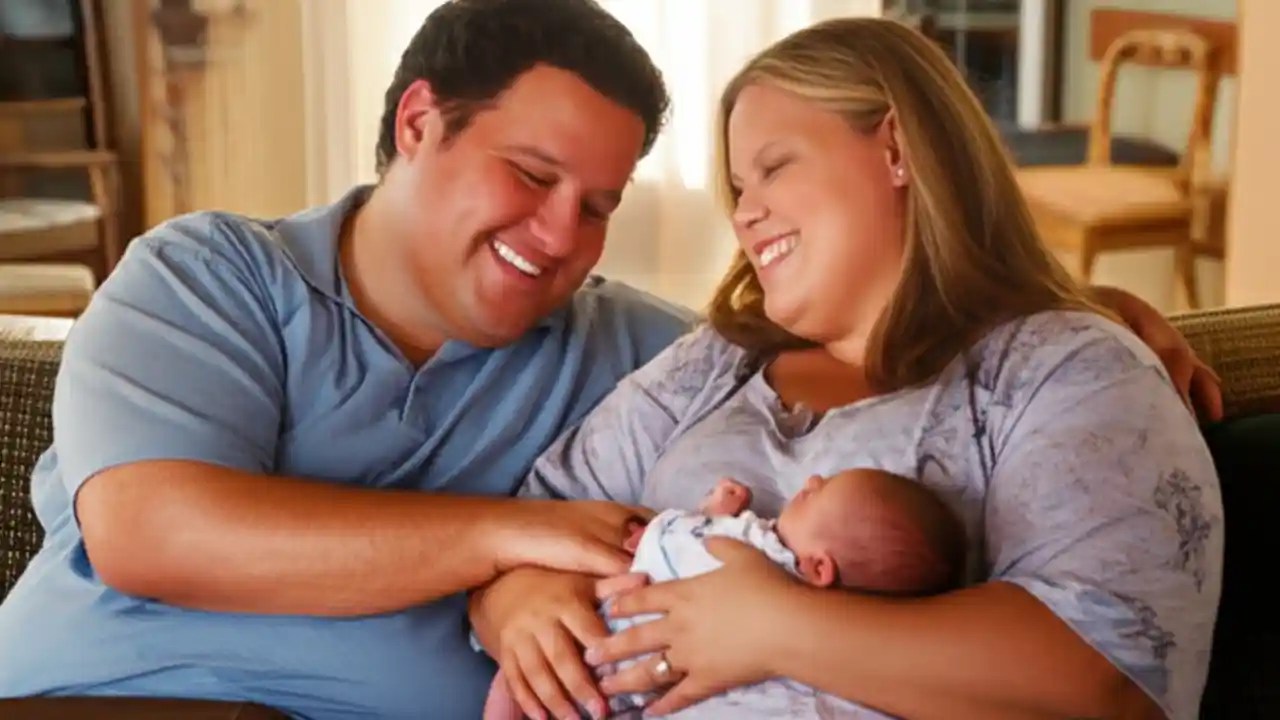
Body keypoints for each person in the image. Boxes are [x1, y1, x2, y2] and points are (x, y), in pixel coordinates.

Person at [0, 0, 1218, 718]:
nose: (558, 239)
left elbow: (875, 327)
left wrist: (1089, 306)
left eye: (597, 204)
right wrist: (504, 548)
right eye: (531, 178)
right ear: (417, 123)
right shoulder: (212, 276)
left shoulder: (636, 350)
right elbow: (156, 533)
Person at [467, 16, 1224, 720]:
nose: (744, 213)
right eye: (738, 188)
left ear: (896, 147)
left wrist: (777, 627)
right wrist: (517, 604)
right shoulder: (715, 362)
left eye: (773, 168)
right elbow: (534, 528)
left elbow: (1110, 680)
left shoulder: (1065, 372)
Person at [482, 470, 965, 718]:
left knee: (523, 689)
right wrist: (714, 509)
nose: (812, 480)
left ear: (819, 567)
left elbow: (703, 547)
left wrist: (699, 520)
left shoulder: (766, 565)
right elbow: (702, 537)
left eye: (821, 492)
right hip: (596, 633)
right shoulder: (764, 543)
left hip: (612, 651)